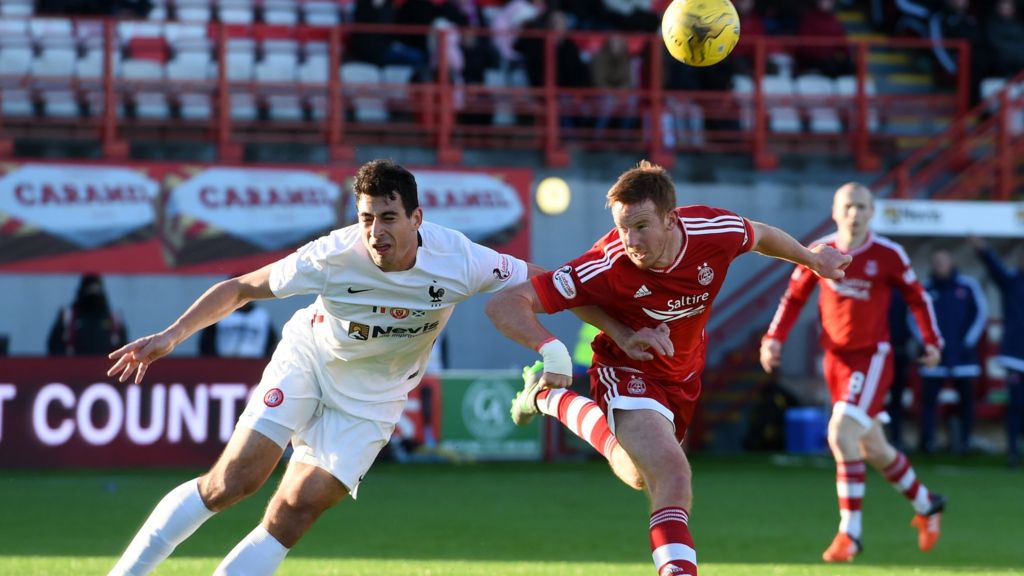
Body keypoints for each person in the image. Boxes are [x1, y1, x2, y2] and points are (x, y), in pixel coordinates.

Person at [105, 160, 637, 576]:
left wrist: (623, 331)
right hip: (310, 361)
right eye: (365, 219)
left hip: (375, 398)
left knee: (295, 510)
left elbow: (551, 284)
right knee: (233, 482)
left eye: (387, 217)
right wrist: (171, 334)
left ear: (416, 219)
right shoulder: (333, 255)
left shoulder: (461, 259)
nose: (375, 231)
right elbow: (241, 288)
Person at [486, 160, 851, 576]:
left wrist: (810, 259)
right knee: (674, 474)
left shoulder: (714, 232)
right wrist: (570, 347)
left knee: (641, 476)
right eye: (623, 227)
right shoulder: (606, 263)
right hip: (628, 370)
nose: (630, 240)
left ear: (670, 219)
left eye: (641, 226)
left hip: (683, 374)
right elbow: (504, 304)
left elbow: (762, 235)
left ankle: (548, 398)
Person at [760, 183, 946, 563]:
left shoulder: (888, 255)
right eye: (848, 206)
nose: (855, 213)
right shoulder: (820, 251)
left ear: (871, 212)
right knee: (872, 447)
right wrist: (774, 337)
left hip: (872, 357)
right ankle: (928, 504)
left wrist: (931, 340)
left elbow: (917, 296)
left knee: (841, 434)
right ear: (835, 210)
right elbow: (793, 297)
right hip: (836, 361)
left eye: (862, 207)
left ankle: (851, 533)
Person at [917, 248, 987, 454]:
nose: (940, 266)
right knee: (929, 403)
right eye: (936, 262)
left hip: (963, 357)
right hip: (935, 357)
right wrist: (928, 342)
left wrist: (968, 341)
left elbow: (980, 314)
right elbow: (913, 317)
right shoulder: (925, 288)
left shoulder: (968, 286)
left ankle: (965, 442)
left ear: (951, 263)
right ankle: (928, 442)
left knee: (967, 403)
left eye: (943, 261)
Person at [970, 236, 1024, 468]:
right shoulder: (1012, 281)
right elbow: (995, 268)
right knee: (1015, 406)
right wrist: (984, 250)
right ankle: (1013, 452)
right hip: (1014, 355)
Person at [48, 273, 128, 356]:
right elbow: (55, 347)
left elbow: (123, 347)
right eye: (89, 289)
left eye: (96, 289)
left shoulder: (113, 317)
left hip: (108, 367)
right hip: (74, 367)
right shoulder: (68, 316)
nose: (93, 292)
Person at [198, 296, 278, 358]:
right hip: (223, 365)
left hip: (254, 366)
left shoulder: (261, 315)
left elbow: (272, 342)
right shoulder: (220, 314)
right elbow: (206, 342)